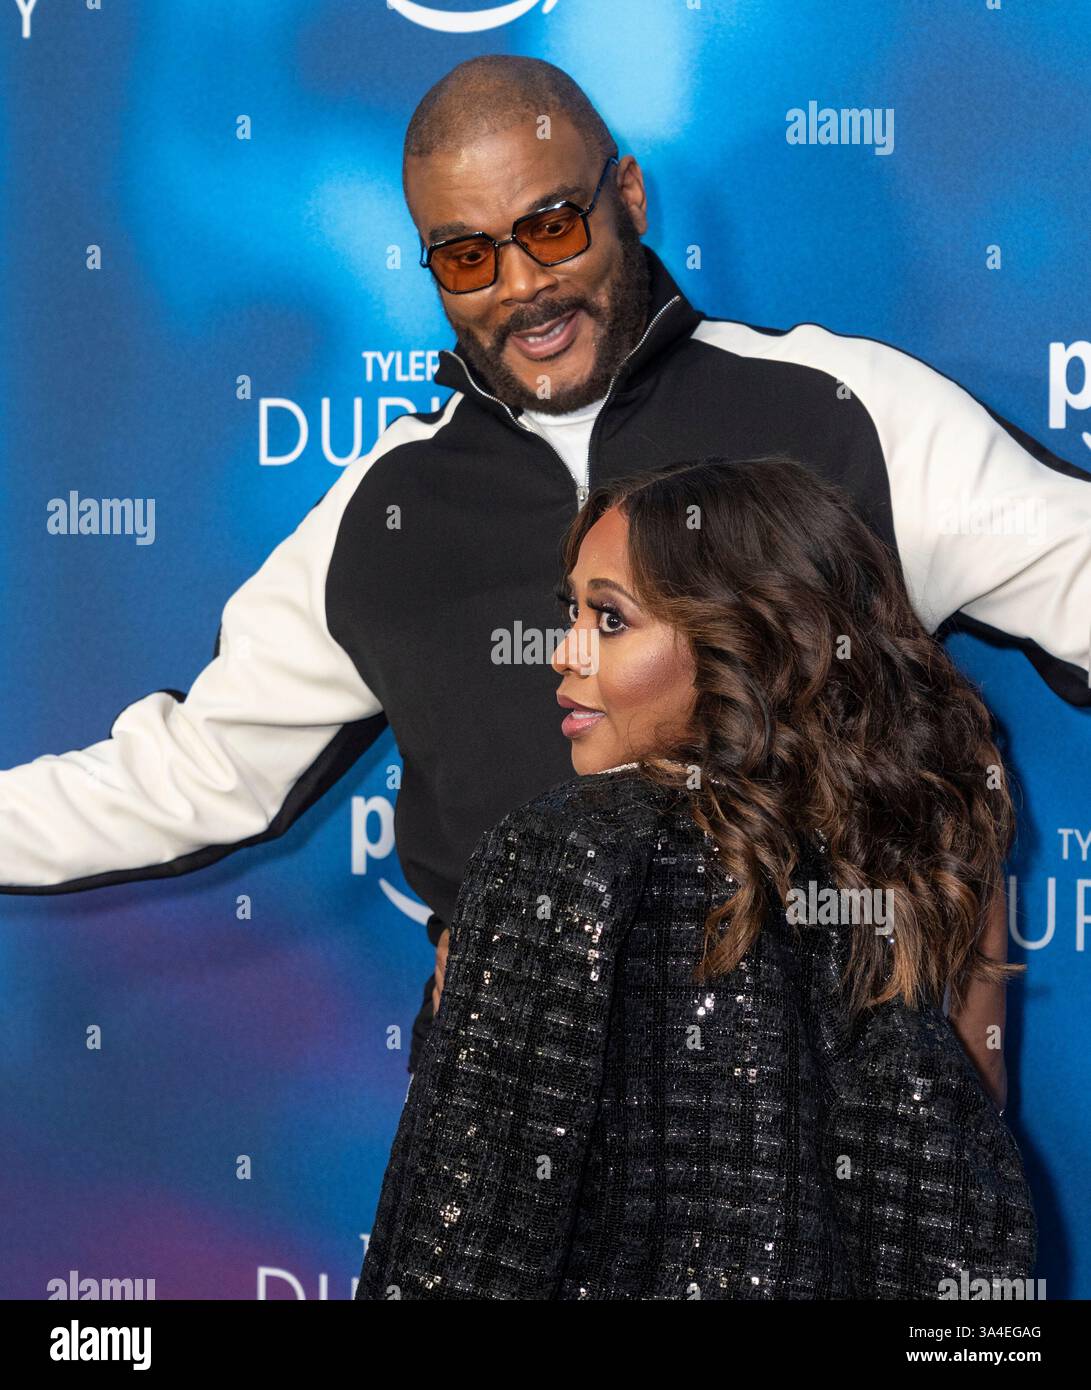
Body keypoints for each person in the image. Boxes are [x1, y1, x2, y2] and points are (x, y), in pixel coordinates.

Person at [1, 57, 1088, 1086]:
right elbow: (193, 771)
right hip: (510, 1124)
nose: (521, 287)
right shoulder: (387, 509)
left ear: (627, 195)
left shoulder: (844, 410)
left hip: (817, 1118)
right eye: (468, 256)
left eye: (551, 228)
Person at [354, 454, 1037, 1301]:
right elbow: (961, 1194)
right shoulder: (917, 844)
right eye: (570, 613)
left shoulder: (561, 853)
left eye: (609, 620)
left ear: (743, 638)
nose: (562, 654)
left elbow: (463, 1241)